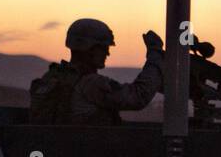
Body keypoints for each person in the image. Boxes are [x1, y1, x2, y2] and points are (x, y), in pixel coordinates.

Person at [29, 18, 165, 124]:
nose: (107, 53)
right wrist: (155, 55)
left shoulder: (53, 77)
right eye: (103, 48)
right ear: (88, 48)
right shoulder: (91, 84)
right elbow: (137, 97)